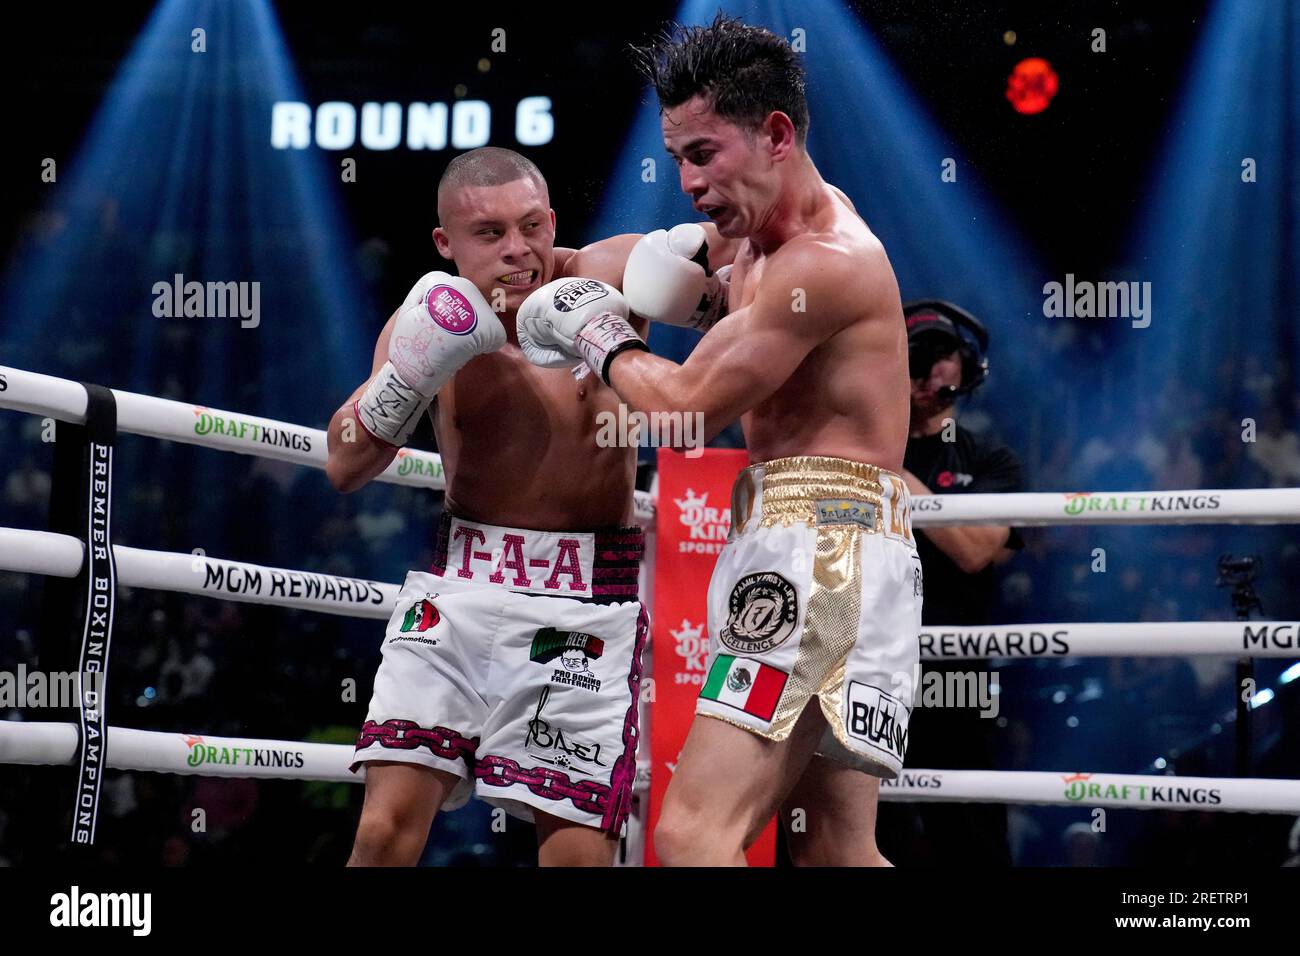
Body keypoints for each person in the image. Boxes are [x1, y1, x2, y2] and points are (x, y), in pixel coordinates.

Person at [515, 15, 919, 865]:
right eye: (678, 160)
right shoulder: (767, 237)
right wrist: (555, 268)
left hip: (818, 555)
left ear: (775, 133)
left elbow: (686, 410)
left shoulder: (824, 262)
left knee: (693, 834)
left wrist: (598, 336)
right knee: (835, 850)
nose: (688, 183)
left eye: (703, 154)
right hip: (840, 544)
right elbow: (643, 265)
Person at [326, 147, 661, 867]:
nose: (519, 251)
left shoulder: (611, 279)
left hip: (586, 606)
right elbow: (345, 461)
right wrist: (410, 373)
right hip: (460, 593)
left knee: (575, 858)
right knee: (382, 834)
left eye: (531, 226)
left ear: (552, 222)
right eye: (490, 234)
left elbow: (737, 266)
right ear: (445, 244)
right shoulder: (429, 318)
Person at [875, 299, 1024, 867]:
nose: (932, 370)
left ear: (967, 368)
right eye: (919, 354)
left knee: (970, 837)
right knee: (861, 829)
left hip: (954, 676)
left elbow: (976, 550)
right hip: (867, 665)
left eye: (945, 355)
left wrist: (891, 476)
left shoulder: (989, 457)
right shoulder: (859, 442)